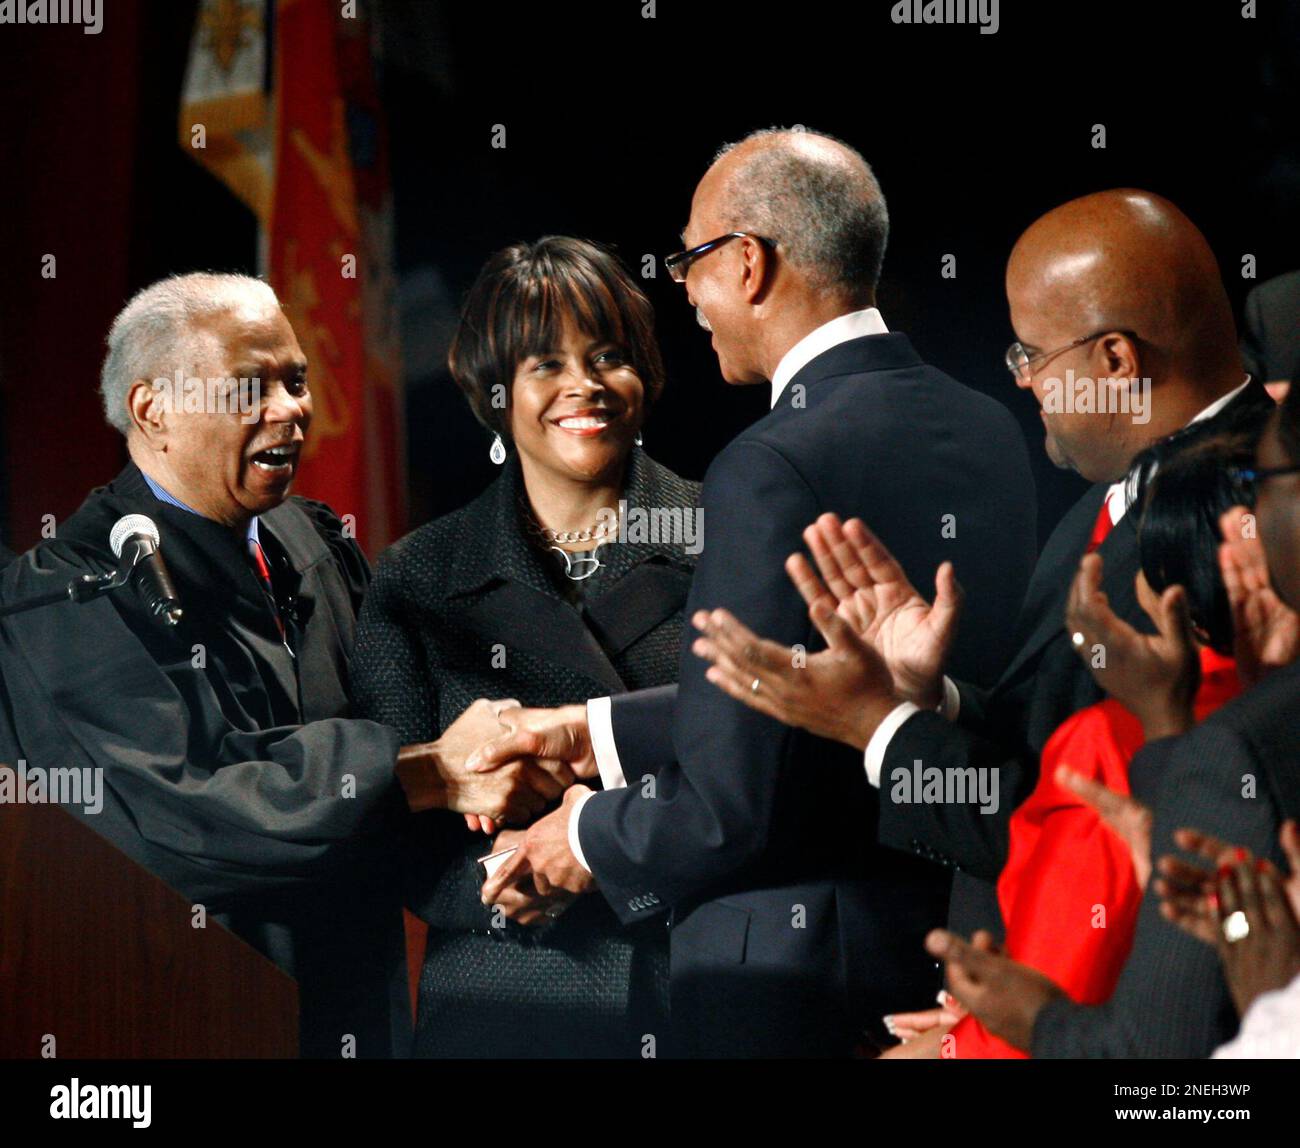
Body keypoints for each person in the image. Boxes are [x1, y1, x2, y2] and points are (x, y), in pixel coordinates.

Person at [479, 127, 1038, 1056]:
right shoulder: (991, 427)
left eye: (691, 261)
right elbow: (828, 694)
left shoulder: (772, 462)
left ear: (748, 263)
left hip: (785, 981)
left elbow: (729, 804)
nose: (686, 293)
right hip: (956, 949)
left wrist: (581, 839)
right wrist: (592, 731)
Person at [686, 190, 1277, 967]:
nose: (1023, 381)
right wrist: (931, 696)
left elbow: (1089, 833)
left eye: (1031, 354)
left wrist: (875, 726)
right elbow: (1055, 749)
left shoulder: (1236, 528)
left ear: (1115, 361)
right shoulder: (1108, 499)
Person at [0, 273, 554, 1057]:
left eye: (295, 380)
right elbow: (185, 816)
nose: (291, 408)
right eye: (249, 388)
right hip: (184, 1013)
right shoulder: (65, 596)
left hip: (357, 1007)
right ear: (152, 409)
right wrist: (420, 773)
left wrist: (502, 857)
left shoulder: (312, 544)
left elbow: (408, 725)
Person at [351, 237, 701, 1058]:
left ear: (642, 376)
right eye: (546, 363)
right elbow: (383, 810)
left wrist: (605, 844)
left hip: (694, 983)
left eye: (608, 356)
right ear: (495, 391)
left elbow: (768, 762)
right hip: (501, 1002)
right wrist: (511, 884)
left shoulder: (728, 533)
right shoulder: (418, 573)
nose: (583, 385)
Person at [924, 383, 1300, 1056]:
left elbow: (1151, 1061)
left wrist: (991, 1031)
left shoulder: (1128, 747)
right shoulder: (1183, 742)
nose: (1023, 379)